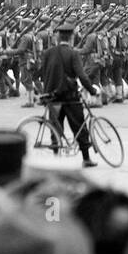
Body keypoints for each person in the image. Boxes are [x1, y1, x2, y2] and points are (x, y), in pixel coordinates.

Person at [37, 22, 101, 167]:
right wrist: (92, 90)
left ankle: (56, 158)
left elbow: (42, 72)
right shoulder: (73, 53)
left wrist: (46, 91)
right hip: (69, 97)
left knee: (55, 126)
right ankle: (86, 159)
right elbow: (82, 76)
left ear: (58, 37)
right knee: (79, 127)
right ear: (71, 37)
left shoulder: (48, 53)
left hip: (52, 96)